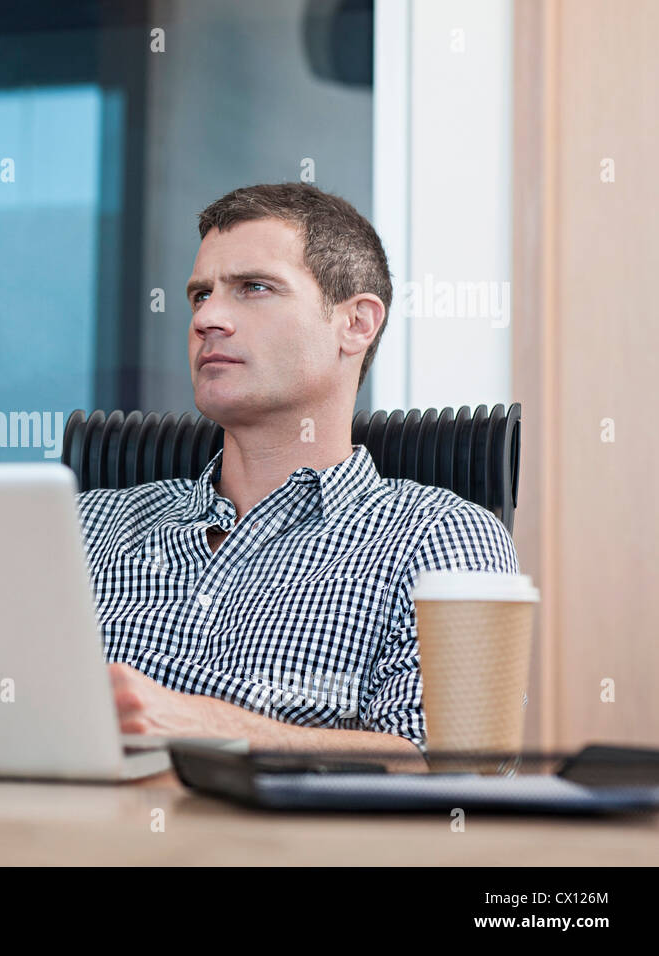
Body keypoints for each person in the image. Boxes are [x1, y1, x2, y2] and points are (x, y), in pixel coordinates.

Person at [78, 183, 518, 762]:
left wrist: (206, 727)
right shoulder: (87, 527)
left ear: (356, 323)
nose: (208, 316)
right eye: (200, 294)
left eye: (254, 288)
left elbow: (455, 768)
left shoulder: (441, 538)